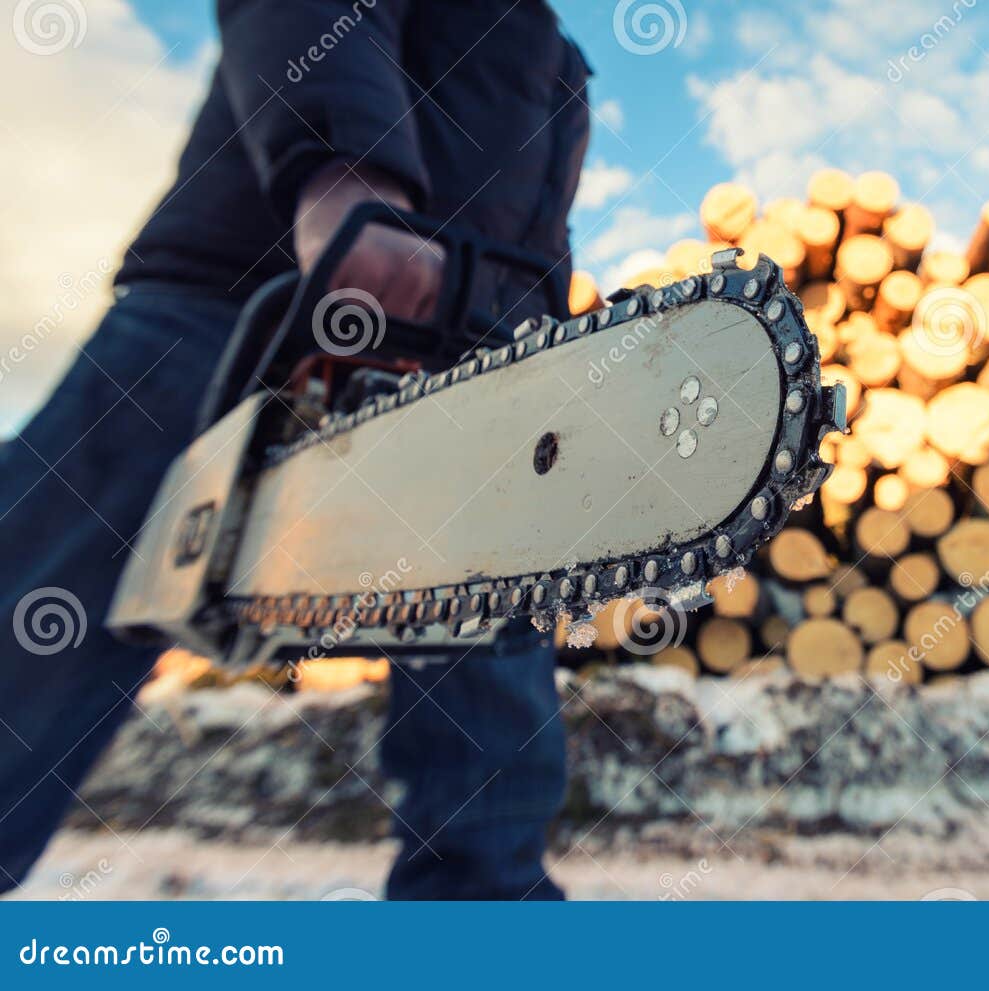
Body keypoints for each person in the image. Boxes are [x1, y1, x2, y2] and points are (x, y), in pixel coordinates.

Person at [0, 0, 591, 900]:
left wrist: (532, 344)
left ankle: (486, 913)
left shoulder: (553, 58)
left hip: (469, 366)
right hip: (241, 293)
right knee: (50, 603)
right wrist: (349, 178)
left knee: (489, 643)